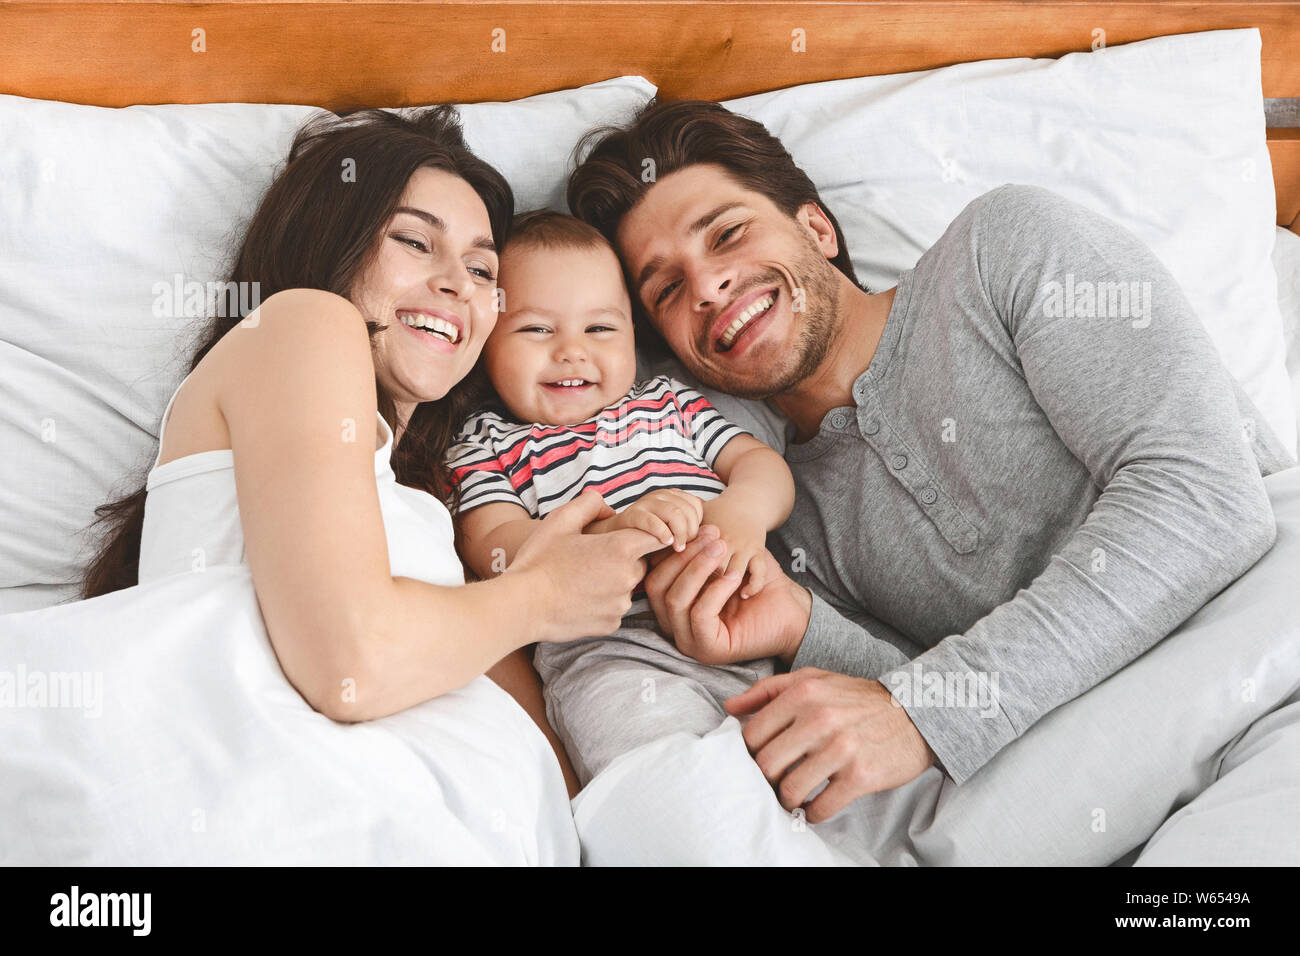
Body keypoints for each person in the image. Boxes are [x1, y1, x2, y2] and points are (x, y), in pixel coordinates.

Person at [567, 98, 1294, 826]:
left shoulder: (1001, 247)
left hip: (1273, 695)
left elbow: (1207, 502)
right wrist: (803, 626)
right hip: (1121, 804)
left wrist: (916, 711)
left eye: (727, 234)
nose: (706, 287)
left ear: (816, 228)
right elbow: (955, 730)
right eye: (666, 289)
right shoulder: (787, 524)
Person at [81, 107, 661, 779]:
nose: (456, 284)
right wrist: (543, 596)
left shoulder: (431, 516)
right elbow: (349, 660)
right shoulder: (302, 321)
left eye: (482, 270)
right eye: (416, 243)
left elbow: (558, 777)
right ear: (331, 242)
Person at [447, 209, 796, 787]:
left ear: (634, 334)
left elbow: (762, 466)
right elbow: (493, 546)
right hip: (611, 656)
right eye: (536, 329)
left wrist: (739, 514)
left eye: (601, 329)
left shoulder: (667, 403)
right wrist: (605, 537)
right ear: (486, 344)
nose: (572, 352)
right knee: (674, 785)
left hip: (751, 633)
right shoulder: (487, 441)